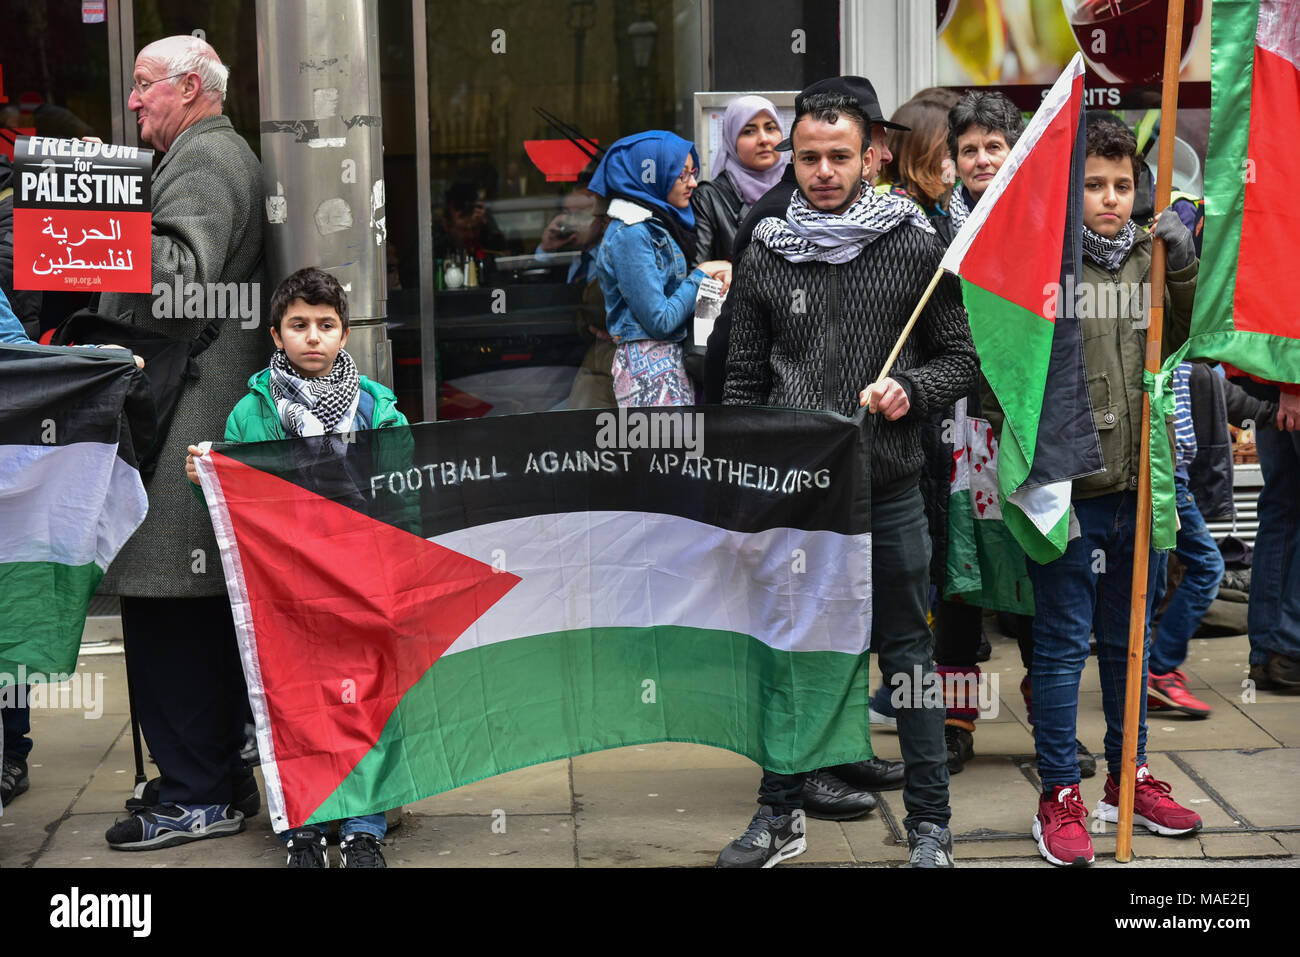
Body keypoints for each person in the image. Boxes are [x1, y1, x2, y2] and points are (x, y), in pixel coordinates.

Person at [719, 78, 979, 868]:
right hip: (797, 497)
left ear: (871, 156)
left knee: (909, 658)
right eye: (808, 157)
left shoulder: (914, 242)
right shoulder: (764, 245)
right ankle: (779, 813)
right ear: (791, 161)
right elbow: (740, 380)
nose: (823, 170)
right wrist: (745, 476)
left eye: (839, 155)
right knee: (793, 653)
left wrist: (912, 389)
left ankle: (931, 826)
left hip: (891, 486)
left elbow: (962, 358)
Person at [1006, 116, 1204, 867]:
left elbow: (1186, 334)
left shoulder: (1147, 262)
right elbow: (1009, 372)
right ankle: (1059, 789)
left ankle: (1128, 778)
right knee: (1060, 650)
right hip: (1068, 489)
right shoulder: (1042, 268)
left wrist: (1181, 267)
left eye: (1123, 185)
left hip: (1138, 485)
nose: (1111, 199)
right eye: (1093, 185)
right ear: (1067, 191)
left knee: (1130, 645)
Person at [97, 34, 266, 851]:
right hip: (188, 413)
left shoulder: (203, 162)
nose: (133, 102)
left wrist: (96, 215)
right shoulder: (205, 155)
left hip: (189, 418)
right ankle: (209, 779)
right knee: (186, 611)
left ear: (191, 88)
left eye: (144, 86)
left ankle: (197, 790)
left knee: (172, 608)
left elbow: (175, 281)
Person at [185, 267, 404, 867]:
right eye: (299, 325)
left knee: (365, 701)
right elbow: (235, 507)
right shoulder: (250, 413)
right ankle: (303, 827)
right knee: (292, 703)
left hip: (358, 579)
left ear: (345, 335)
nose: (313, 336)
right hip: (282, 590)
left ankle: (363, 828)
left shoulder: (377, 408)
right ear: (277, 335)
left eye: (326, 325)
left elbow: (404, 487)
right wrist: (209, 475)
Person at [589, 131, 730, 407]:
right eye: (682, 175)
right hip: (648, 371)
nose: (693, 183)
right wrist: (703, 273)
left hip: (665, 365)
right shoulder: (631, 233)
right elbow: (661, 321)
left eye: (694, 172)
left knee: (675, 449)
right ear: (649, 176)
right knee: (663, 450)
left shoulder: (656, 224)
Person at [1231, 370, 1300, 692]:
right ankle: (1288, 649)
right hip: (1288, 376)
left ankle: (1268, 655)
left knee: (1281, 508)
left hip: (1260, 371)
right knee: (1282, 508)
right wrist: (1292, 386)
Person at [690, 95, 789, 264]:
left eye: (771, 128)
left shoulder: (801, 190)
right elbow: (701, 269)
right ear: (731, 140)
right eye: (749, 131)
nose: (764, 139)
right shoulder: (709, 198)